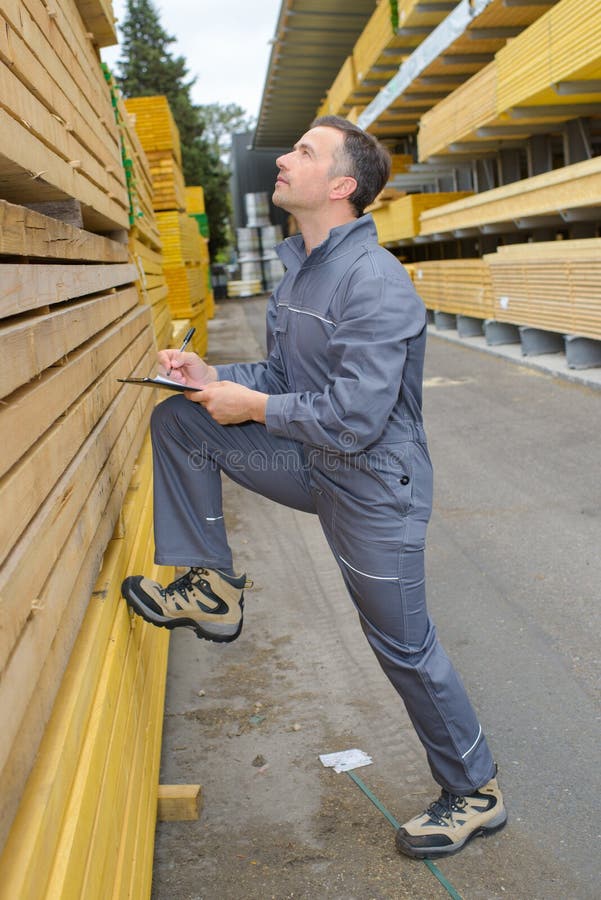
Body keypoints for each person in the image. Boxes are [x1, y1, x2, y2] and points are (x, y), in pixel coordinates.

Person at [121, 115, 507, 860]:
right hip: (313, 463)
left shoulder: (375, 281)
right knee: (181, 420)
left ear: (341, 185)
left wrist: (254, 409)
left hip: (373, 484)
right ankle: (212, 588)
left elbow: (355, 417)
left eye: (303, 151)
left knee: (403, 646)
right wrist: (214, 377)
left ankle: (476, 792)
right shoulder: (300, 266)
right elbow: (282, 377)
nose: (283, 160)